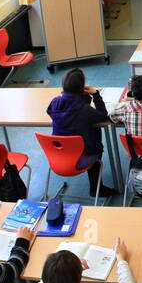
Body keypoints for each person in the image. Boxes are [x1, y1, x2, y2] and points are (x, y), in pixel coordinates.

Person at [47, 68, 117, 198]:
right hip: (81, 159)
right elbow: (102, 115)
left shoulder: (55, 102)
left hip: (58, 157)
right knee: (95, 136)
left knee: (84, 131)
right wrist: (95, 94)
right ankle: (97, 188)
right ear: (81, 88)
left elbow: (70, 111)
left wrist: (81, 97)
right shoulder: (84, 110)